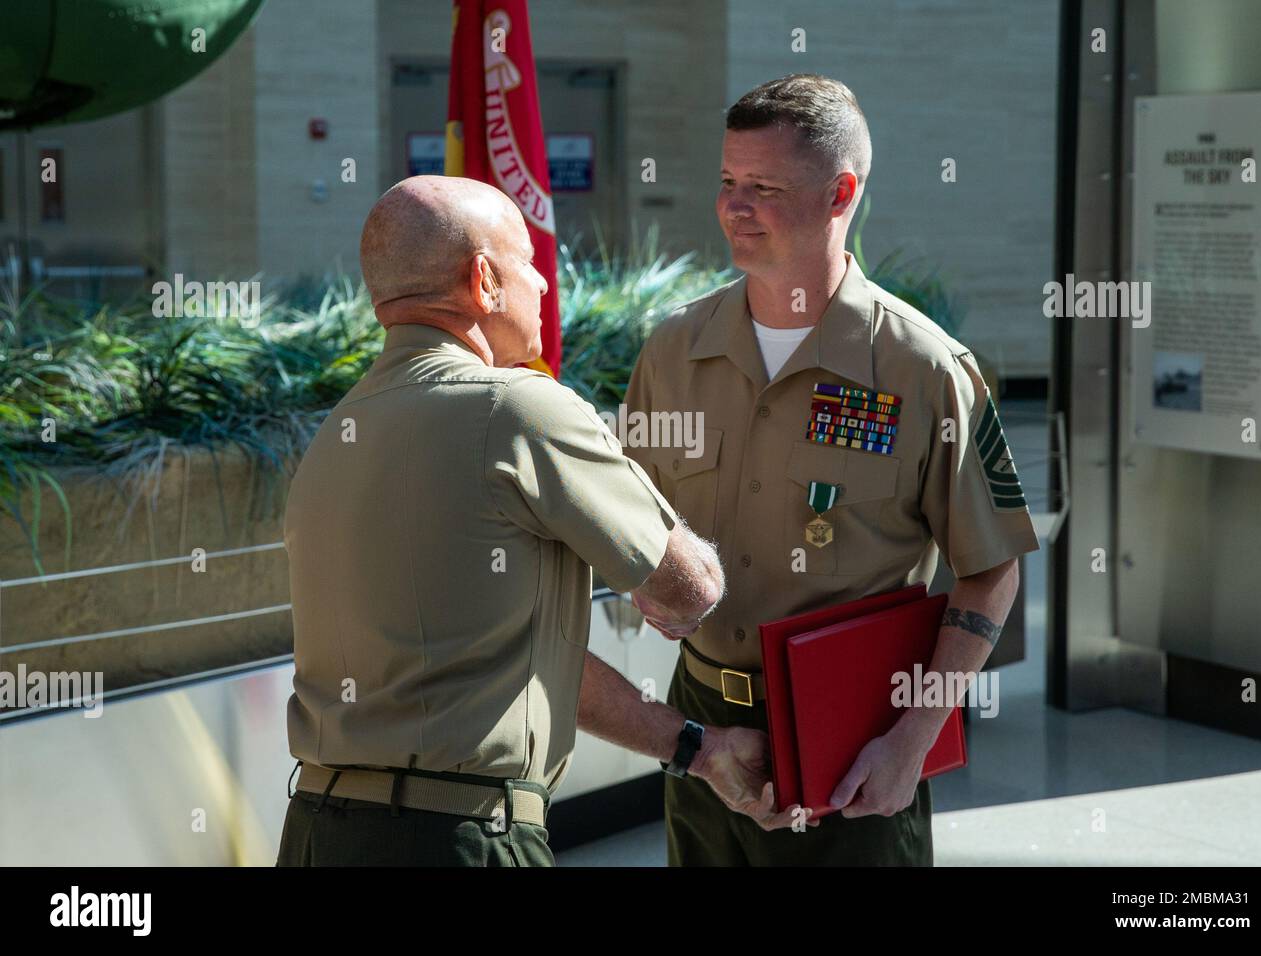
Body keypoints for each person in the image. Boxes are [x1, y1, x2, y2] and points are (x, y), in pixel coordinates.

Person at [276, 175, 780, 867]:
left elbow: (522, 662)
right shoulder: (518, 409)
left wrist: (699, 750)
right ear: (484, 281)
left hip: (316, 832)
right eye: (532, 265)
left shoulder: (339, 431)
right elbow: (689, 592)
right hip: (459, 841)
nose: (547, 288)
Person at [621, 74, 1040, 866]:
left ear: (841, 191)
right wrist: (648, 579)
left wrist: (913, 739)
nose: (733, 208)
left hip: (855, 738)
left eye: (764, 188)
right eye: (727, 182)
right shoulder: (674, 350)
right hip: (704, 731)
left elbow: (992, 571)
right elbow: (635, 516)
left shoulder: (924, 368)